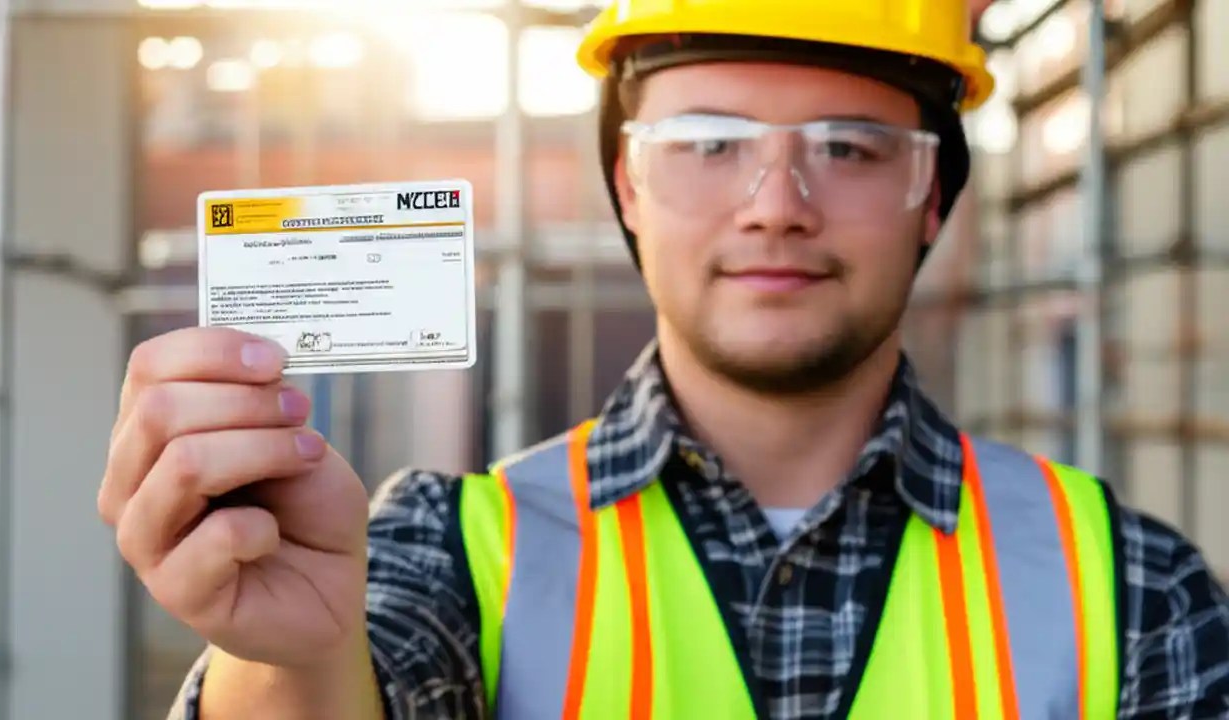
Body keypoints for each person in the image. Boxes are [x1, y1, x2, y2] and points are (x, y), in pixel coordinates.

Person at [98, 0, 1229, 717]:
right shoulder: (440, 552)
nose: (774, 207)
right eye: (708, 146)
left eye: (846, 146)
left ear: (929, 193)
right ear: (627, 185)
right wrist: (290, 663)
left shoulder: (1131, 592)